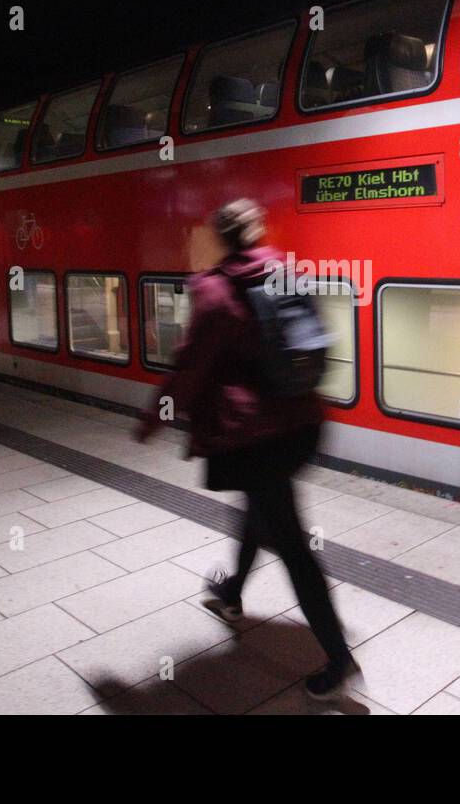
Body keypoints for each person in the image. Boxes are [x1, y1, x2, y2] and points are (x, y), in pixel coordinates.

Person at [134, 198, 358, 701]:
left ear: (220, 238)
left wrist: (154, 418)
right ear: (256, 232)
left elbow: (188, 367)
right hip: (302, 423)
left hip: (256, 436)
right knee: (260, 507)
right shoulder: (285, 270)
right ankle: (232, 594)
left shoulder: (215, 293)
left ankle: (339, 659)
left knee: (294, 547)